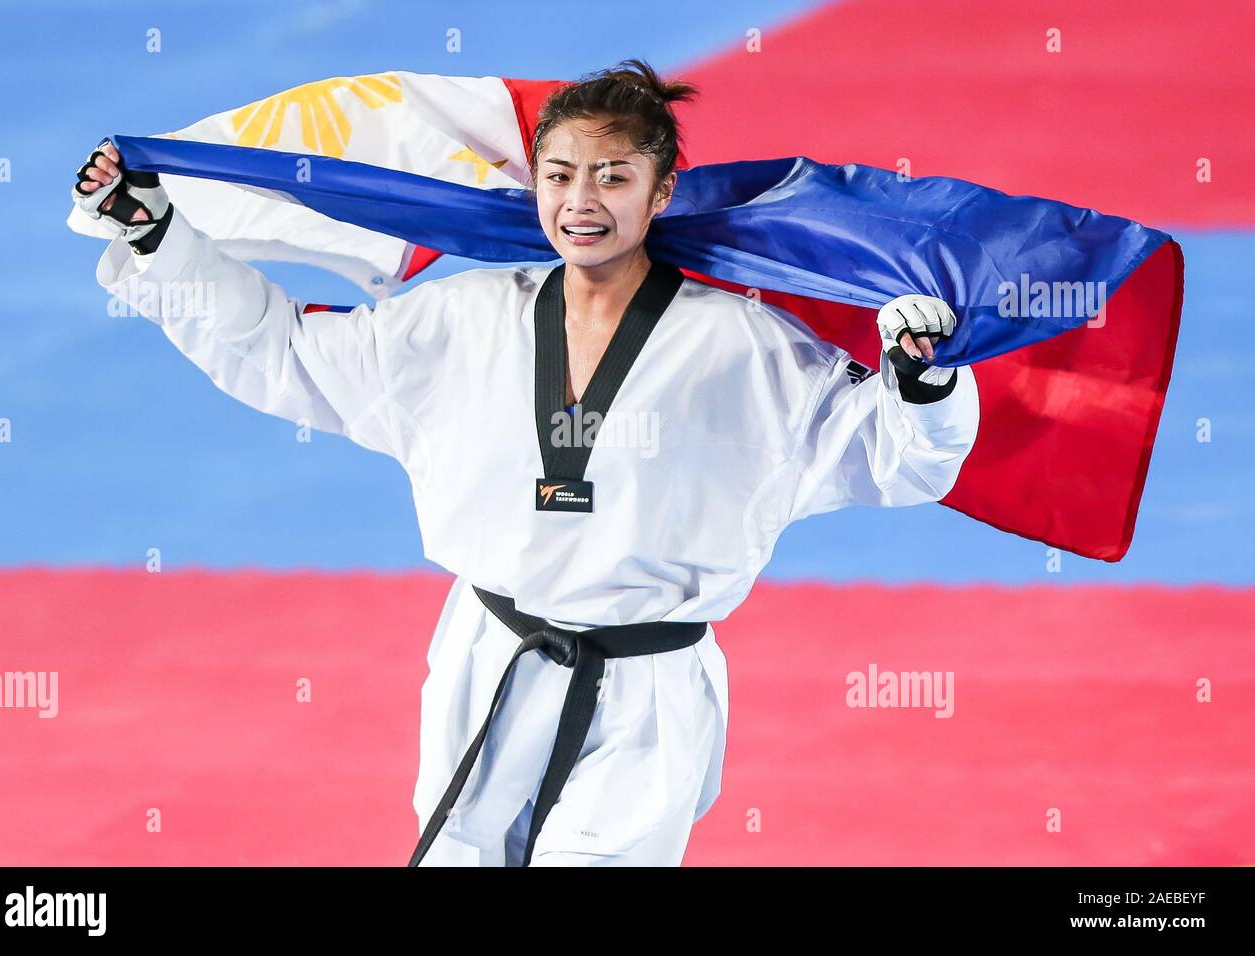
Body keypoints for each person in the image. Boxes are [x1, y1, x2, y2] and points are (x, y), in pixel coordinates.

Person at [72, 58, 979, 866]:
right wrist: (161, 238)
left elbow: (887, 457)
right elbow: (287, 353)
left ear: (661, 192)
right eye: (560, 176)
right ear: (535, 182)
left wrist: (923, 381)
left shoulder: (746, 347)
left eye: (614, 177)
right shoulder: (462, 320)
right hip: (487, 660)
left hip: (646, 692)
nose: (581, 201)